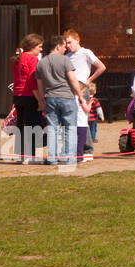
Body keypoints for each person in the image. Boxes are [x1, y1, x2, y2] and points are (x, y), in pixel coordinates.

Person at [35, 35, 84, 166]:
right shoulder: (65, 60)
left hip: (50, 97)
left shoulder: (41, 63)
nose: (65, 49)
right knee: (70, 128)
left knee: (52, 128)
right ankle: (69, 158)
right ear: (57, 46)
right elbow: (73, 79)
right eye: (63, 46)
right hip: (67, 97)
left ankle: (52, 158)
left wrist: (41, 100)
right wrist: (80, 95)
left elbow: (39, 85)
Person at [64, 30, 106, 160]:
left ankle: (87, 149)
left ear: (77, 40)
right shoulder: (67, 56)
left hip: (82, 87)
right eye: (66, 43)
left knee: (82, 119)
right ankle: (76, 149)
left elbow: (101, 67)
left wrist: (89, 80)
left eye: (70, 42)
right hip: (70, 88)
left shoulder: (85, 52)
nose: (68, 45)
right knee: (72, 120)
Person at [11, 34, 43, 164]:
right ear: (33, 46)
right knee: (32, 125)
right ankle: (30, 156)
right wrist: (40, 99)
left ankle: (21, 155)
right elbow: (32, 81)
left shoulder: (17, 59)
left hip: (18, 96)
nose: (41, 49)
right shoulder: (33, 59)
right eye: (40, 46)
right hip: (30, 96)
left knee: (21, 126)